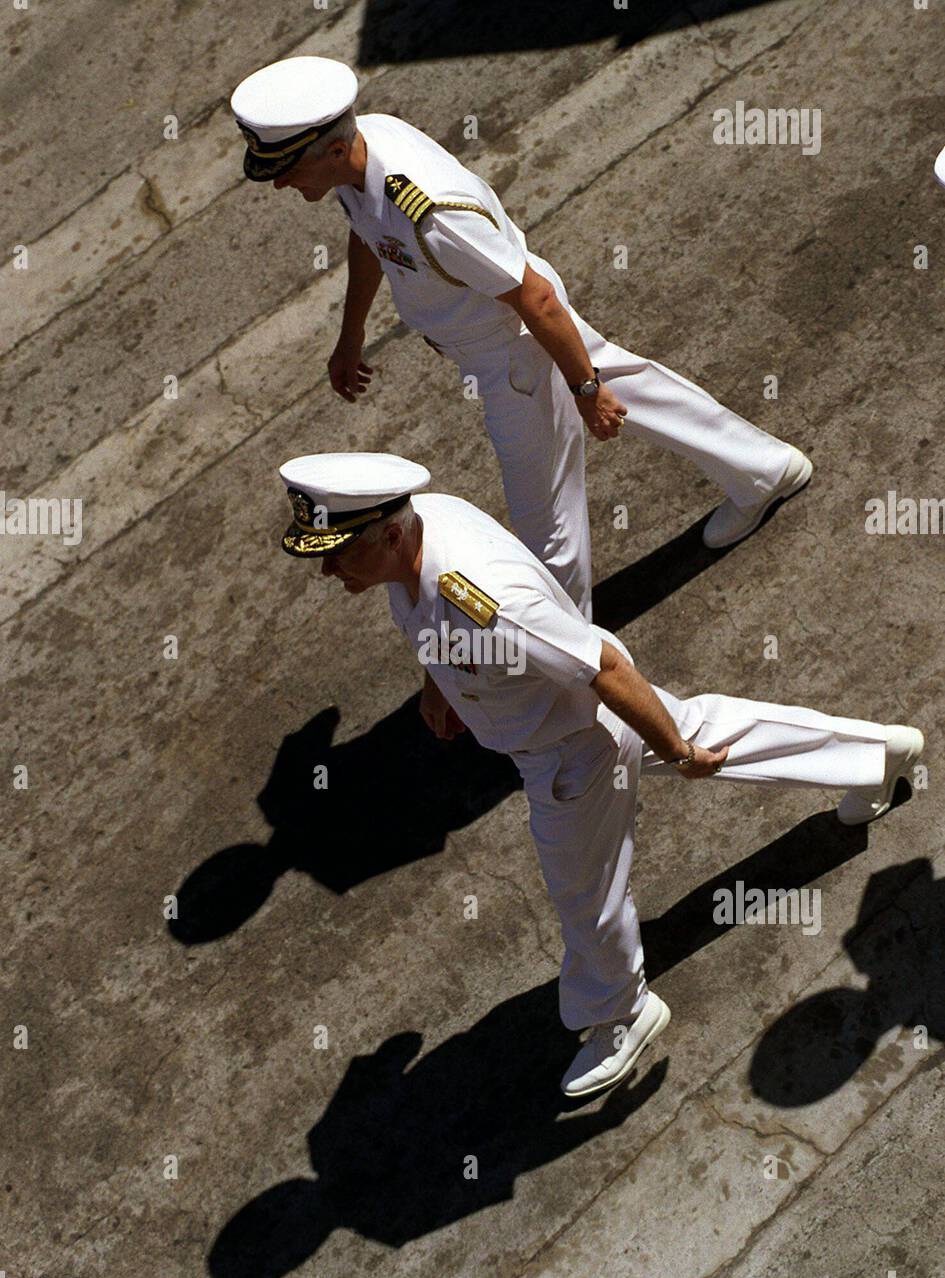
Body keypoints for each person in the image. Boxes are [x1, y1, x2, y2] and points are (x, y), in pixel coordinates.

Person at [274, 452, 924, 1099]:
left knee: (584, 893)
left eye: (337, 552)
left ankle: (620, 1013)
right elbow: (438, 625)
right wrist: (439, 683)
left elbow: (605, 668)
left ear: (388, 533)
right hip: (571, 721)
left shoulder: (485, 600)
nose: (327, 569)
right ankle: (873, 755)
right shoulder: (418, 531)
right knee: (705, 730)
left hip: (571, 751)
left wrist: (673, 755)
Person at [232, 55, 813, 620]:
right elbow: (367, 238)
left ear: (334, 149)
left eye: (286, 170)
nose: (281, 184)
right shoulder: (362, 151)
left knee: (547, 519)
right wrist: (350, 333)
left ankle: (571, 657)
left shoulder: (434, 215)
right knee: (634, 393)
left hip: (514, 353)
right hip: (508, 335)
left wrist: (583, 391)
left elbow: (534, 298)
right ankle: (763, 470)